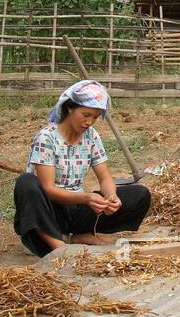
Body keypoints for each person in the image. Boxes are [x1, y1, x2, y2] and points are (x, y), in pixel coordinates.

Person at [13, 79, 150, 257]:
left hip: (76, 207)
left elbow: (105, 177)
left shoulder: (91, 136)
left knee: (140, 195)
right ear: (70, 108)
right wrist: (85, 198)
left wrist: (111, 197)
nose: (90, 122)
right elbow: (48, 190)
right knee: (27, 183)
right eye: (85, 115)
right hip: (50, 210)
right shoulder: (46, 139)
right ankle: (57, 245)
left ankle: (81, 234)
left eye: (94, 117)